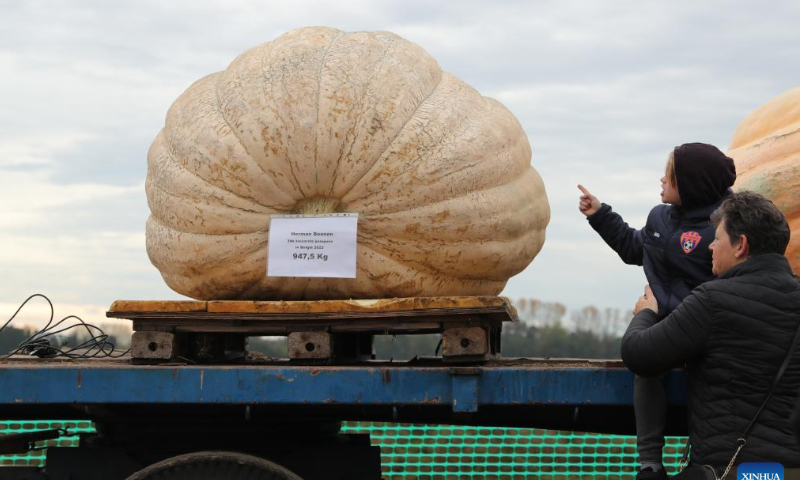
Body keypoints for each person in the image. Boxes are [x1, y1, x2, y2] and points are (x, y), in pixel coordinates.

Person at [579, 143, 736, 480]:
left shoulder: (724, 228)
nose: (661, 180)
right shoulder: (659, 218)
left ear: (691, 185)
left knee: (707, 378)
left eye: (670, 176)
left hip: (706, 328)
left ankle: (702, 460)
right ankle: (650, 462)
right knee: (647, 367)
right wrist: (600, 214)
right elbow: (636, 248)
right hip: (666, 326)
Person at [622, 191, 800, 478]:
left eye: (717, 238)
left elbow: (639, 354)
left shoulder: (712, 300)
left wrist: (646, 313)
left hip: (730, 470)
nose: (710, 247)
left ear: (740, 245)